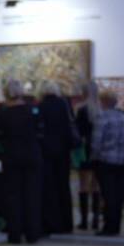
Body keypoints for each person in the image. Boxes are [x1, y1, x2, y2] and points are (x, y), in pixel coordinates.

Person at [0, 80, 43, 244]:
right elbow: (39, 131)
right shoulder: (32, 110)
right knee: (32, 194)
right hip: (31, 155)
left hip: (11, 156)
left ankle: (15, 233)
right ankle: (32, 232)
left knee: (13, 195)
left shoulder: (3, 113)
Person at [91, 91, 124, 236]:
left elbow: (97, 141)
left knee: (108, 194)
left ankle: (108, 226)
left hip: (106, 160)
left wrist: (94, 158)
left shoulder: (102, 117)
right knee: (118, 195)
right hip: (122, 160)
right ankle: (116, 225)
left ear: (103, 102)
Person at [38, 81, 76, 234]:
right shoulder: (64, 104)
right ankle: (67, 223)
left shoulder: (41, 106)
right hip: (63, 151)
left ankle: (51, 223)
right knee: (63, 186)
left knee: (49, 187)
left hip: (46, 152)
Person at [73, 82, 102, 231]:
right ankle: (96, 219)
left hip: (84, 149)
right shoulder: (100, 109)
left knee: (83, 184)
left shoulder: (81, 109)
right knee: (96, 185)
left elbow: (77, 131)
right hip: (98, 149)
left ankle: (84, 220)